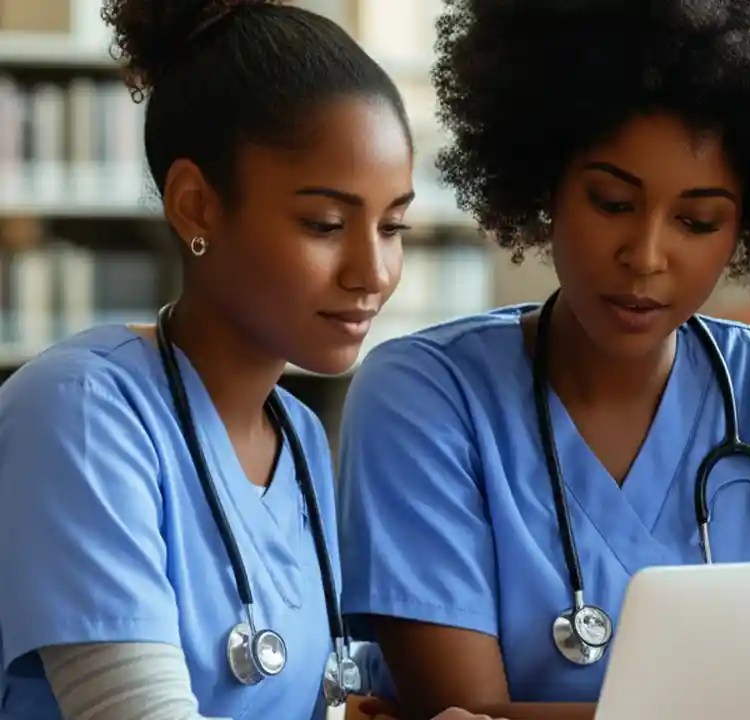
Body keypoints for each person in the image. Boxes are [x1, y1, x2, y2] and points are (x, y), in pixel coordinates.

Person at [335, 1, 750, 718]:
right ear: (546, 184)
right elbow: (460, 709)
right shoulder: (424, 397)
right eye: (611, 202)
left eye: (698, 222)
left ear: (749, 224)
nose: (644, 257)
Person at [0, 2, 494, 719]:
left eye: (392, 227)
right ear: (196, 205)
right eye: (324, 224)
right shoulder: (80, 411)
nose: (374, 271)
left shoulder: (296, 439)